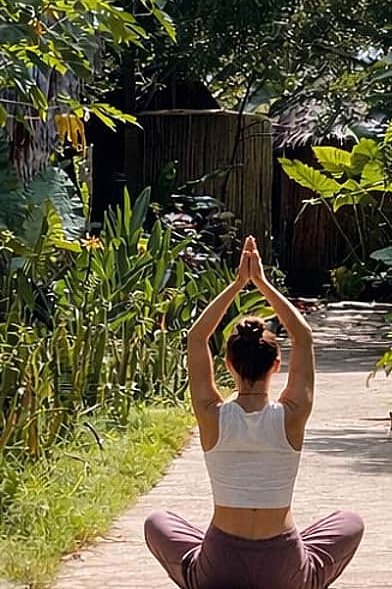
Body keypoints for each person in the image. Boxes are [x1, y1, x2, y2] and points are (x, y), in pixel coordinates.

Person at [144, 236, 364, 589]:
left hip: (219, 562)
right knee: (349, 521)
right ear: (277, 365)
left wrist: (237, 285)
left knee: (158, 521)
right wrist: (262, 283)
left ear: (228, 363)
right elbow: (304, 336)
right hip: (283, 563)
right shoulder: (291, 415)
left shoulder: (211, 414)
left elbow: (196, 338)